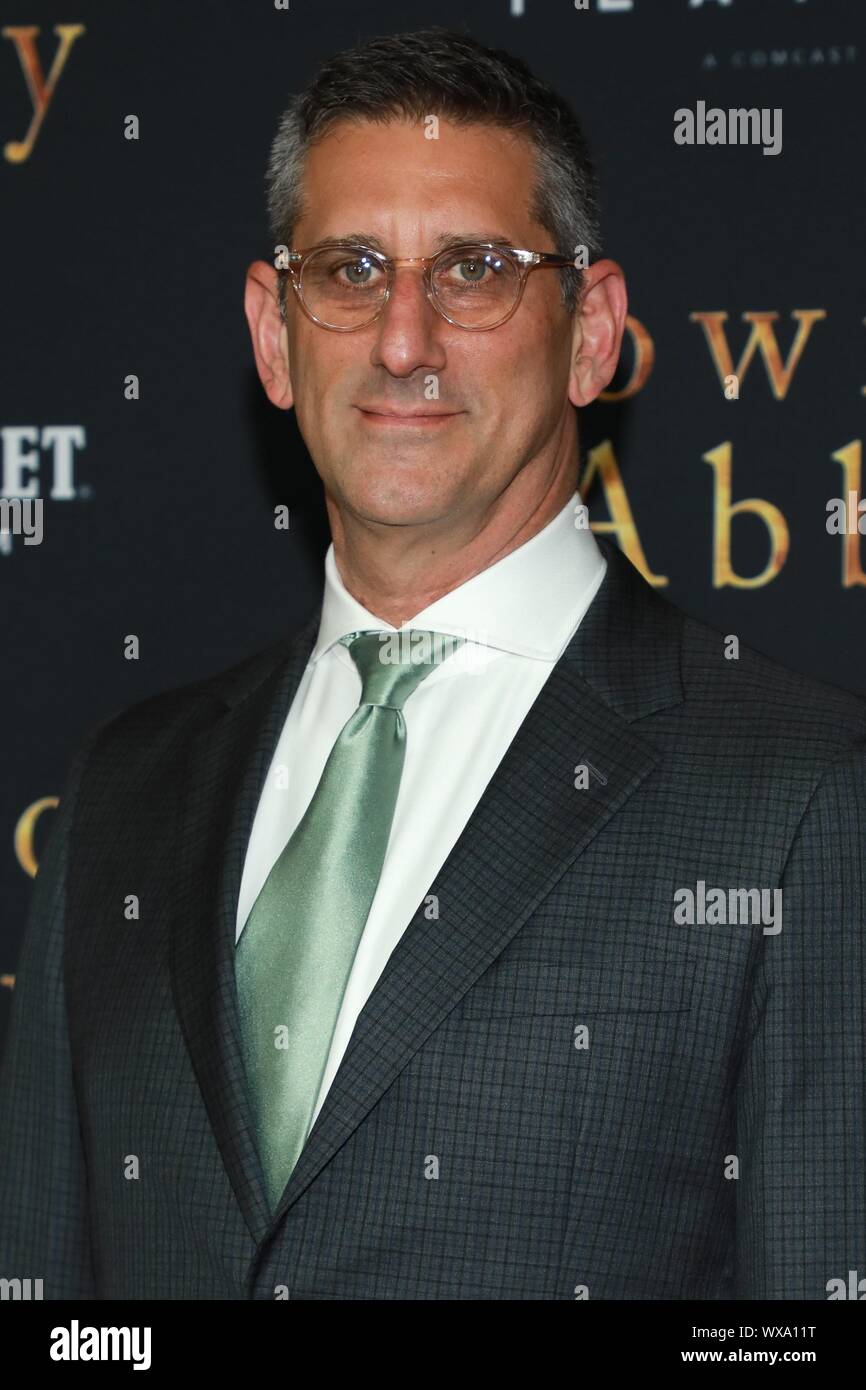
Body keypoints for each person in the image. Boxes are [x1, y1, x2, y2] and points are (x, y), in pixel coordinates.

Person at [1, 26, 864, 1302]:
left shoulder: (794, 794)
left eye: (473, 270)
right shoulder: (127, 789)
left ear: (590, 332)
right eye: (348, 270)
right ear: (273, 333)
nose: (403, 339)